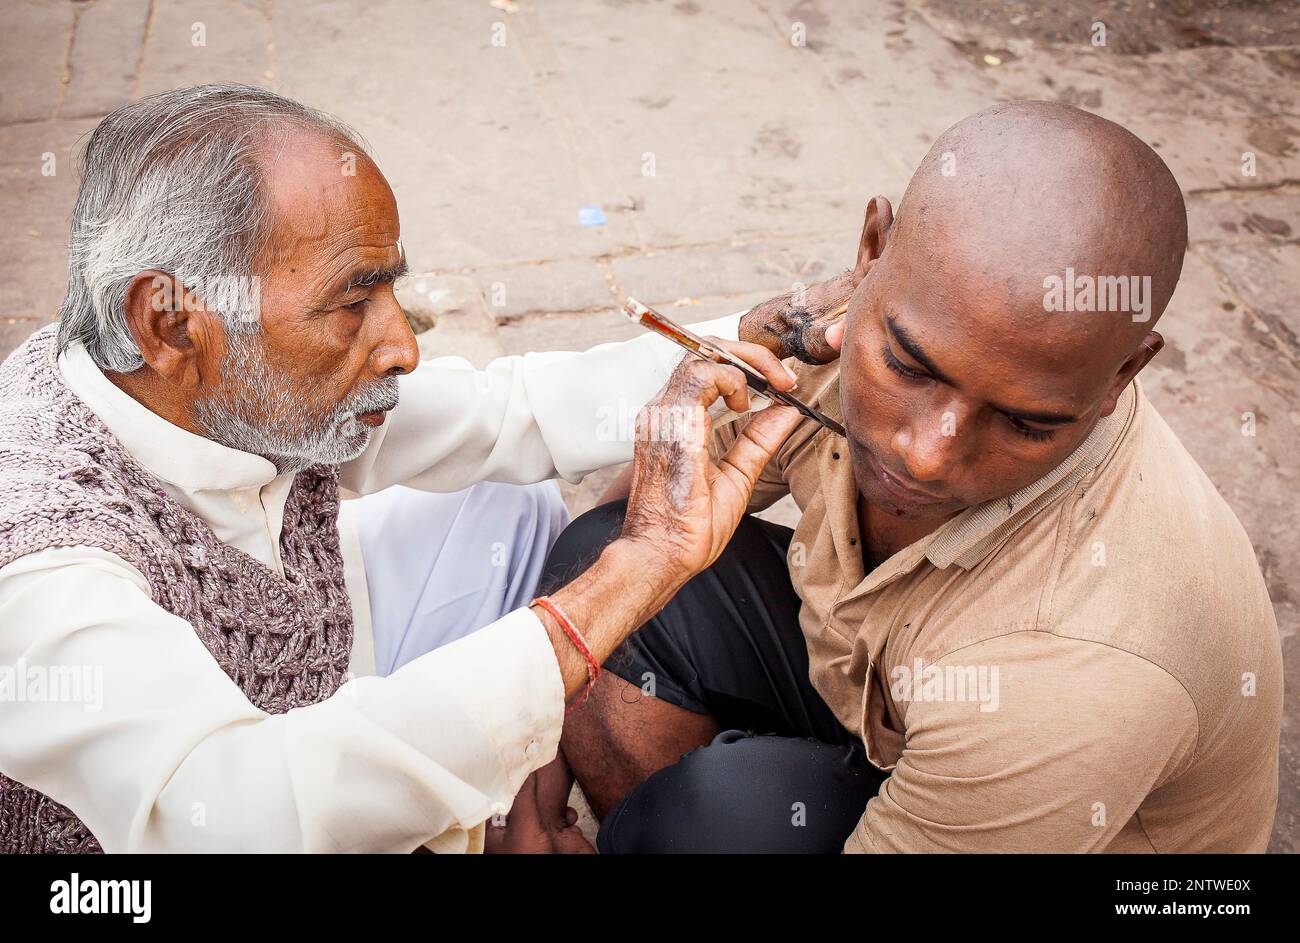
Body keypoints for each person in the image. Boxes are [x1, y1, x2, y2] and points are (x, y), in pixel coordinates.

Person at [0, 83, 803, 853]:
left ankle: (501, 801)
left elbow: (505, 411)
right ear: (171, 321)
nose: (403, 346)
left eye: (389, 290)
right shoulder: (40, 555)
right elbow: (238, 819)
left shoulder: (221, 387)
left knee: (503, 507)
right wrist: (629, 574)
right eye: (352, 303)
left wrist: (749, 338)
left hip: (296, 697)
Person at [551, 101, 1283, 853]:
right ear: (871, 254)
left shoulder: (1074, 673)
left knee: (706, 822)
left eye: (1024, 423)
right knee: (606, 559)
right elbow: (651, 514)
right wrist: (531, 744)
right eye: (907, 367)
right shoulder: (839, 330)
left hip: (1032, 807)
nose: (926, 454)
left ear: (1121, 376)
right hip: (896, 716)